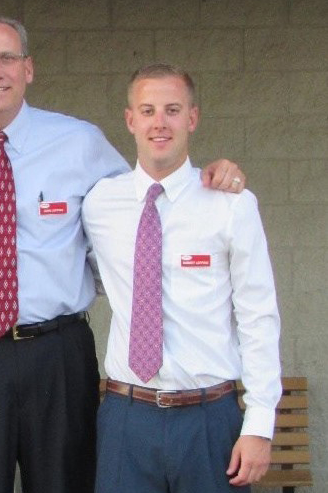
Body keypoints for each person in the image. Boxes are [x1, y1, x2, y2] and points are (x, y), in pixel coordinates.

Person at [0, 13, 247, 493]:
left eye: (7, 57)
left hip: (58, 354)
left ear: (29, 68)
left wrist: (214, 175)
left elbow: (146, 197)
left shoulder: (80, 142)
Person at [82, 63, 281, 492]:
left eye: (173, 110)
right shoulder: (99, 203)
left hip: (209, 418)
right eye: (148, 110)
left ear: (192, 118)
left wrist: (260, 422)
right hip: (125, 415)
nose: (160, 122)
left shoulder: (231, 205)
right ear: (130, 120)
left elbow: (258, 316)